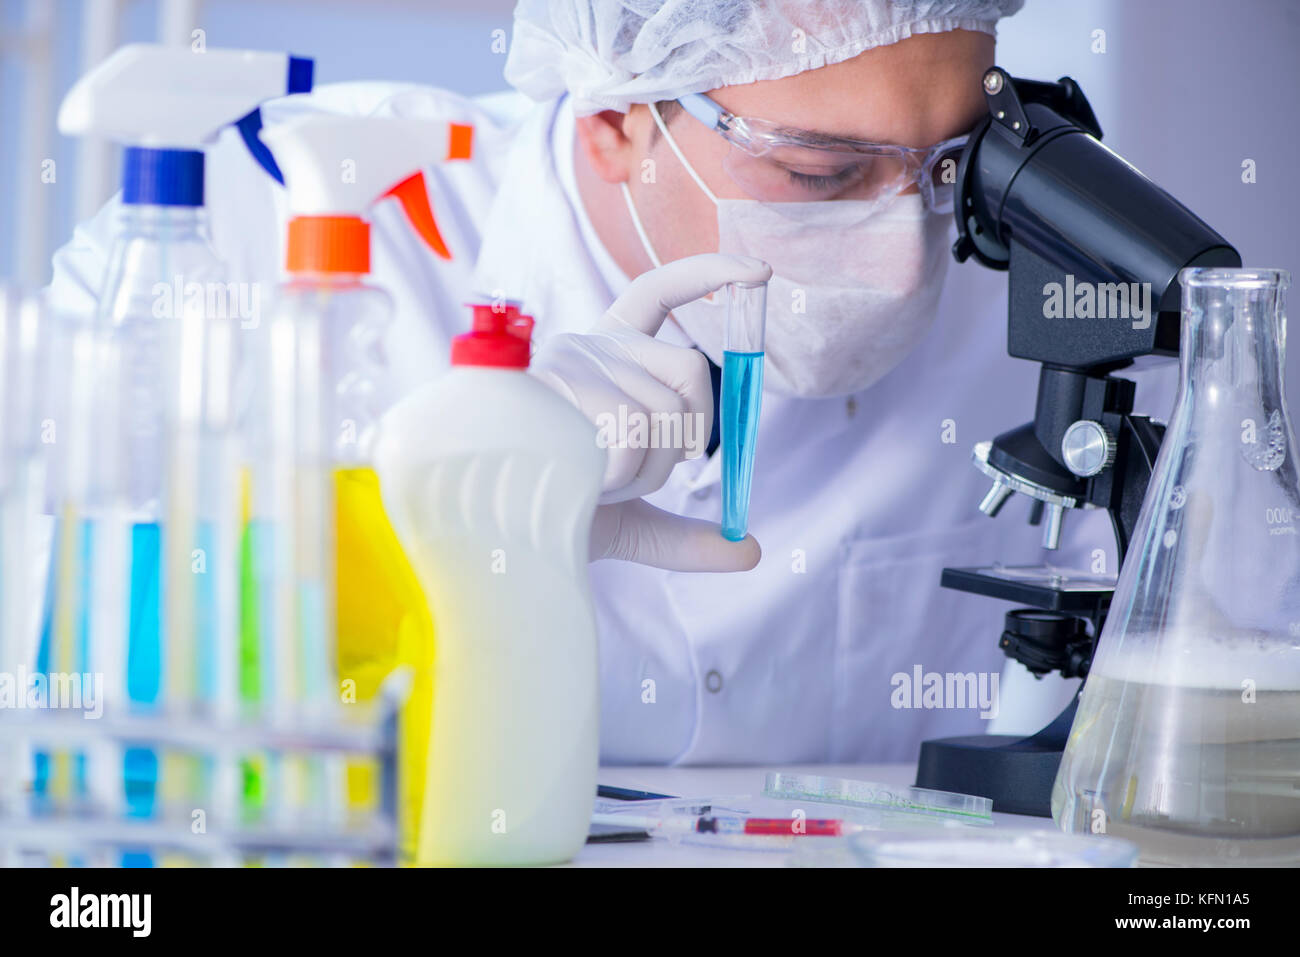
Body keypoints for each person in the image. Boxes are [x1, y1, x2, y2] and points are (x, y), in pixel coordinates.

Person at [47, 0, 1171, 764]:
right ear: (617, 120)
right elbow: (89, 673)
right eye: (819, 175)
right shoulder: (260, 230)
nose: (906, 257)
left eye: (947, 166)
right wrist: (454, 512)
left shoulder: (1039, 303)